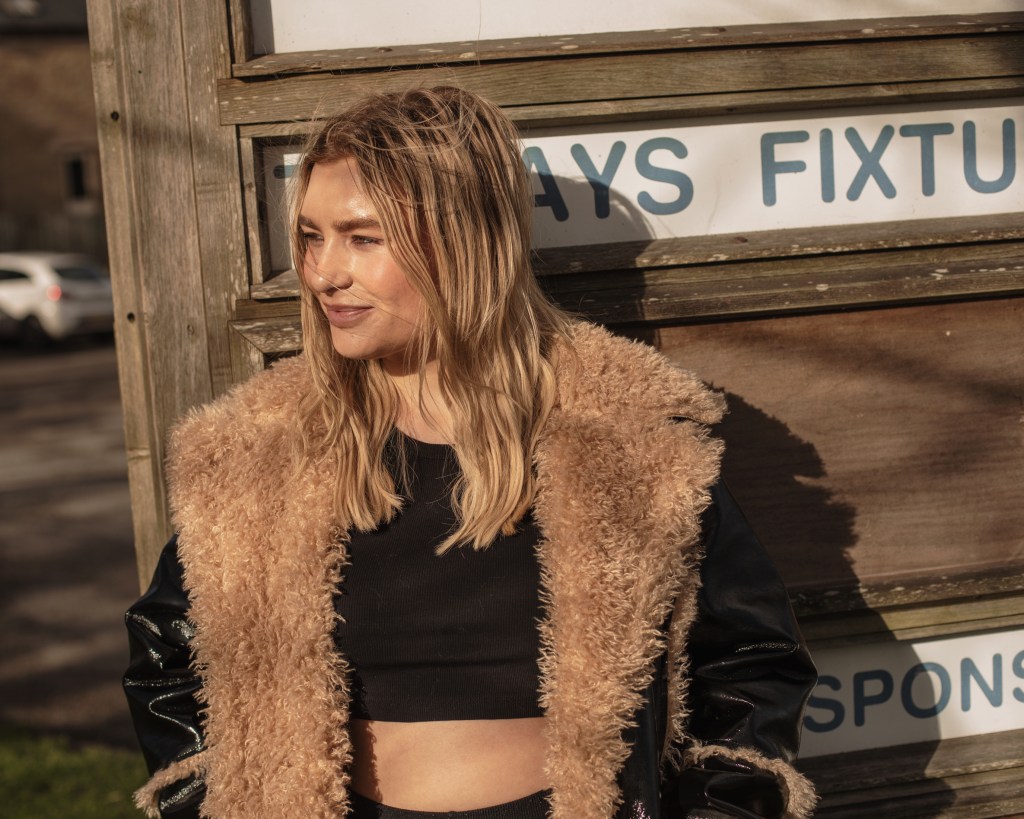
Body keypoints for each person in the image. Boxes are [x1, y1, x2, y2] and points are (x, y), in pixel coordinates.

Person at [124, 86, 818, 819]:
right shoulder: (259, 450)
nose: (325, 271)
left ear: (463, 241)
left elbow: (748, 667)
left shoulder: (629, 442)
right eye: (310, 236)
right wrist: (207, 798)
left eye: (363, 238)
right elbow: (169, 657)